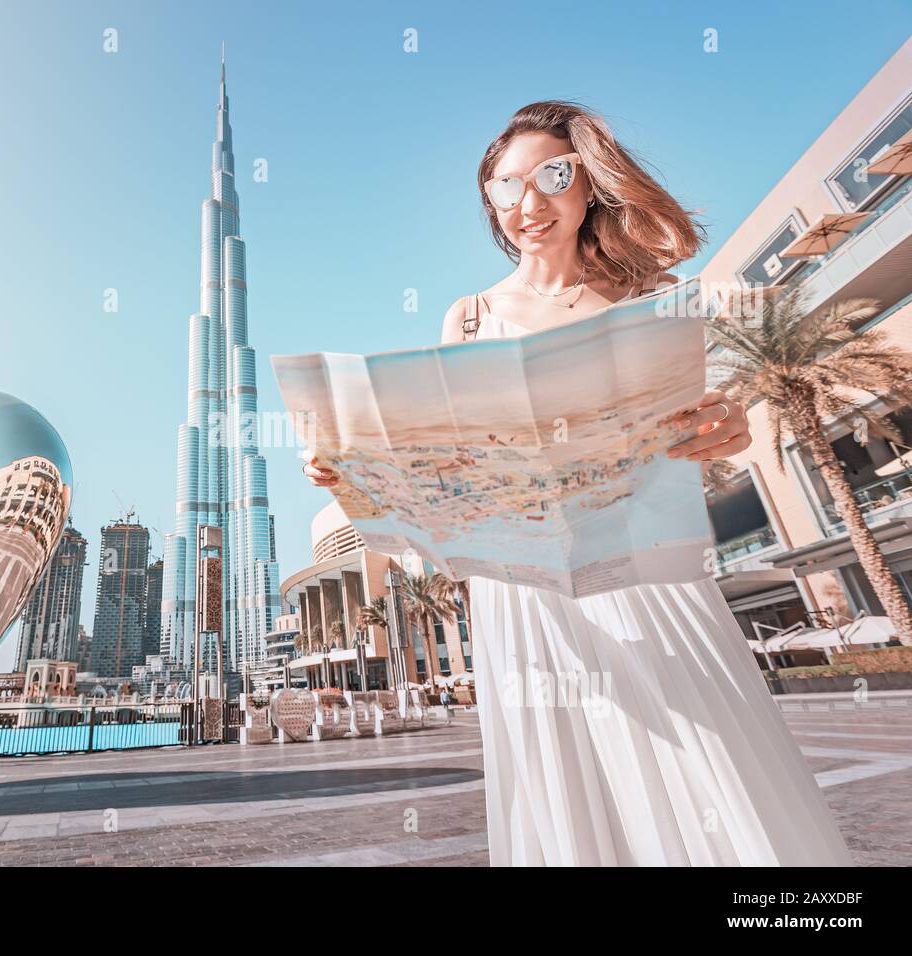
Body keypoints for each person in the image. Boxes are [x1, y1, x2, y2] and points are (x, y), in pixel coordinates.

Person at [302, 100, 853, 867]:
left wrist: (731, 424)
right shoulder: (468, 318)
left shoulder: (652, 297)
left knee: (713, 760)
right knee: (570, 786)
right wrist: (353, 472)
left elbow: (713, 423)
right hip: (520, 591)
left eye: (553, 176)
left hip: (645, 571)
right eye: (505, 187)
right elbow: (448, 469)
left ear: (589, 181)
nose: (529, 204)